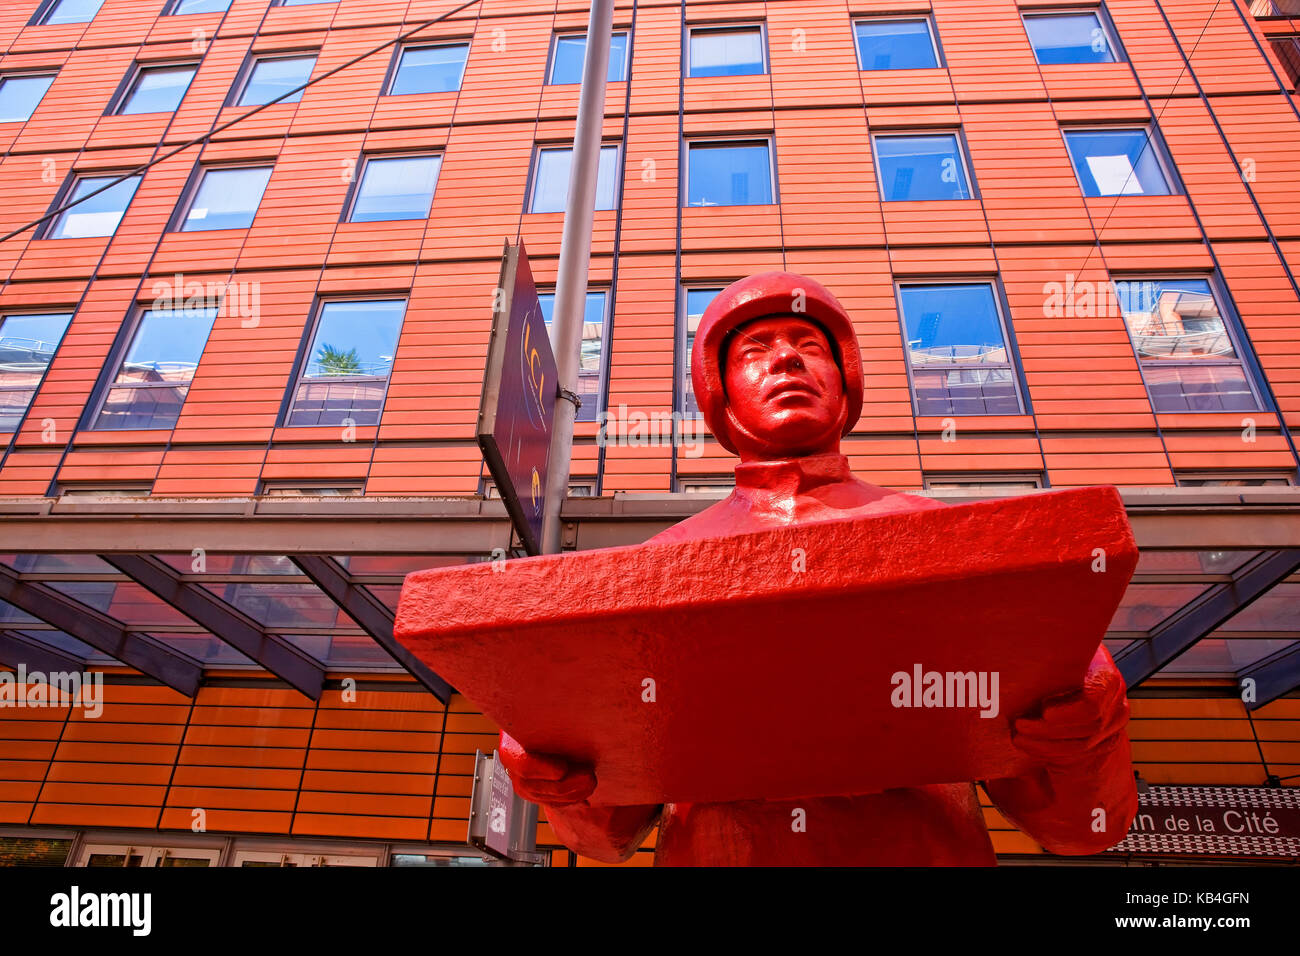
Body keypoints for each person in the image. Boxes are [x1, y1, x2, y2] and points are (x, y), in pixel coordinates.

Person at [500, 271, 1138, 865]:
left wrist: (1087, 730)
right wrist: (555, 767)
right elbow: (608, 834)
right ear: (717, 388)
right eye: (754, 349)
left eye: (809, 343)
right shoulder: (658, 569)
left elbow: (1081, 827)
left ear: (845, 377)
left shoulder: (951, 543)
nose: (786, 358)